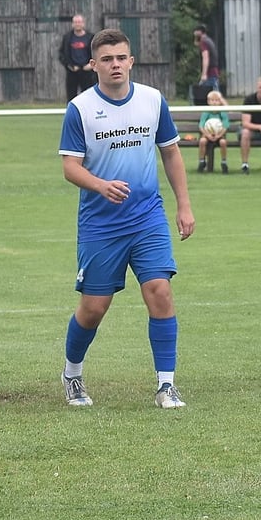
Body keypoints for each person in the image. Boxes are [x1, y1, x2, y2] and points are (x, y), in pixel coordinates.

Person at [58, 28, 195, 409]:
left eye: (121, 57)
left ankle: (166, 385)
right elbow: (70, 167)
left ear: (131, 60)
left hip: (147, 217)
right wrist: (100, 185)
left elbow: (170, 153)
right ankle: (72, 374)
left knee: (160, 292)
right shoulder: (81, 108)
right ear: (93, 64)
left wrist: (183, 205)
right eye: (106, 59)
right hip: (101, 223)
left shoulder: (153, 100)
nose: (115, 65)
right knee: (93, 308)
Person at [59, 14, 97, 101]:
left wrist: (91, 65)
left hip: (87, 71)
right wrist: (69, 65)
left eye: (79, 22)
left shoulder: (91, 37)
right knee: (71, 97)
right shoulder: (67, 38)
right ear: (72, 24)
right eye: (75, 22)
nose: (77, 24)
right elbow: (62, 54)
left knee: (89, 96)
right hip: (73, 71)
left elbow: (97, 53)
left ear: (83, 23)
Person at [197, 89, 230, 173]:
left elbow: (225, 126)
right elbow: (201, 125)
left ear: (220, 101)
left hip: (219, 135)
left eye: (217, 100)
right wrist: (207, 135)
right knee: (202, 141)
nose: (214, 102)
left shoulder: (222, 112)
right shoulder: (206, 112)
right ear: (208, 101)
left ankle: (224, 162)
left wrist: (219, 135)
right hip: (207, 134)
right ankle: (202, 161)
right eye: (212, 100)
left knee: (223, 142)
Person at [193, 24, 221, 99]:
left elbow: (206, 57)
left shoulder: (204, 42)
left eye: (195, 31)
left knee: (212, 96)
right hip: (214, 71)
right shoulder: (208, 40)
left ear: (199, 32)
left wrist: (204, 74)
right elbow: (196, 43)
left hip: (210, 72)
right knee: (216, 93)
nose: (194, 33)